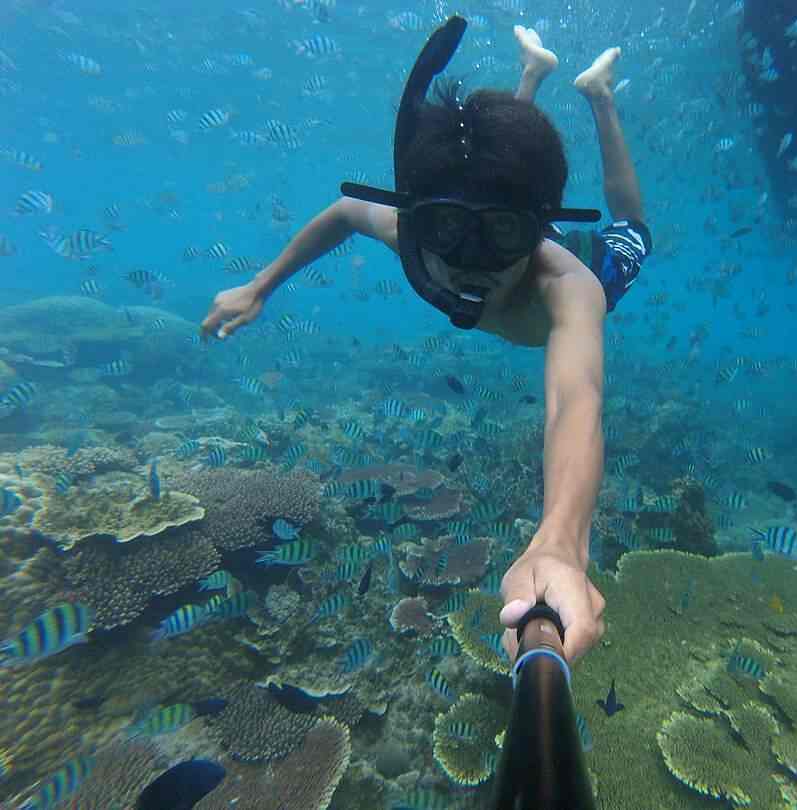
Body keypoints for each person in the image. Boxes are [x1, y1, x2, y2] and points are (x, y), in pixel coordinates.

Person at [200, 17, 651, 665]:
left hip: (587, 253)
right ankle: (532, 75)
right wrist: (259, 286)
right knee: (488, 173)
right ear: (419, 218)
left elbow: (575, 403)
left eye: (502, 236)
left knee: (634, 227)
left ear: (535, 231)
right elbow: (345, 211)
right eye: (445, 228)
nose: (471, 261)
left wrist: (559, 546)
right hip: (510, 212)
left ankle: (599, 96)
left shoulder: (573, 287)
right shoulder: (405, 227)